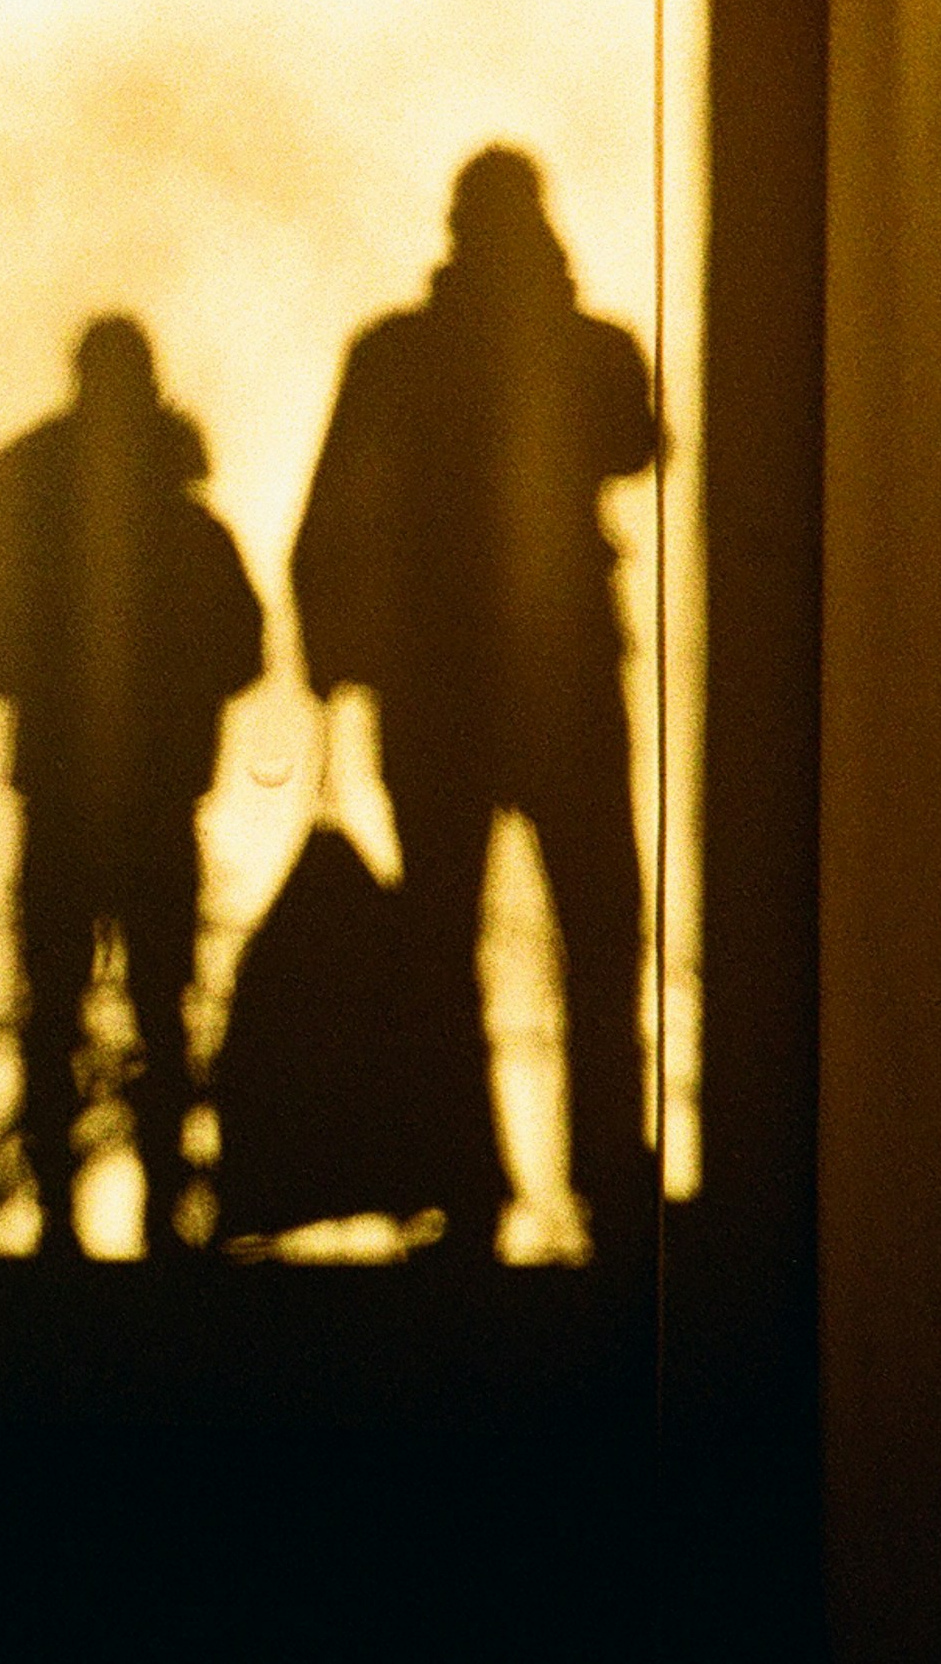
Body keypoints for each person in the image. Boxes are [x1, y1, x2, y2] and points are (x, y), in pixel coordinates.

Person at [291, 148, 659, 1267]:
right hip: (560, 687)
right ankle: (608, 1173)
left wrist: (334, 656)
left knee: (437, 944)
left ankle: (459, 1178)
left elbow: (328, 518)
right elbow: (638, 445)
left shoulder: (394, 354)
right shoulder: (584, 346)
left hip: (436, 690)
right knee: (598, 935)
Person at [0, 316, 263, 1252]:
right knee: (161, 1009)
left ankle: (57, 1212)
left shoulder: (35, 527)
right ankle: (167, 1211)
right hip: (158, 801)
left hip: (57, 798)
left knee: (51, 1007)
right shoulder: (191, 528)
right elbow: (243, 651)